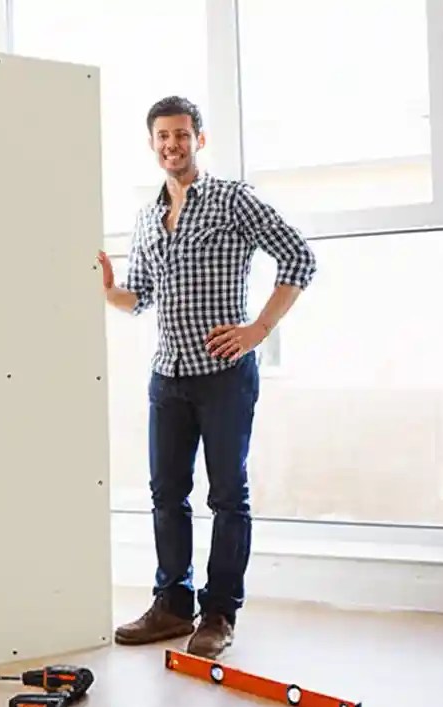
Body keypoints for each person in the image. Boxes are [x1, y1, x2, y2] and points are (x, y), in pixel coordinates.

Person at [98, 96, 316, 658]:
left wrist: (258, 329)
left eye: (182, 134)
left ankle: (218, 613)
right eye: (163, 136)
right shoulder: (146, 217)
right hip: (166, 377)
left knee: (227, 495)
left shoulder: (231, 199)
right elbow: (140, 296)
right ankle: (173, 604)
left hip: (224, 376)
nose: (172, 144)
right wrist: (107, 291)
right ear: (152, 144)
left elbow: (298, 258)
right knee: (166, 494)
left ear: (200, 138)